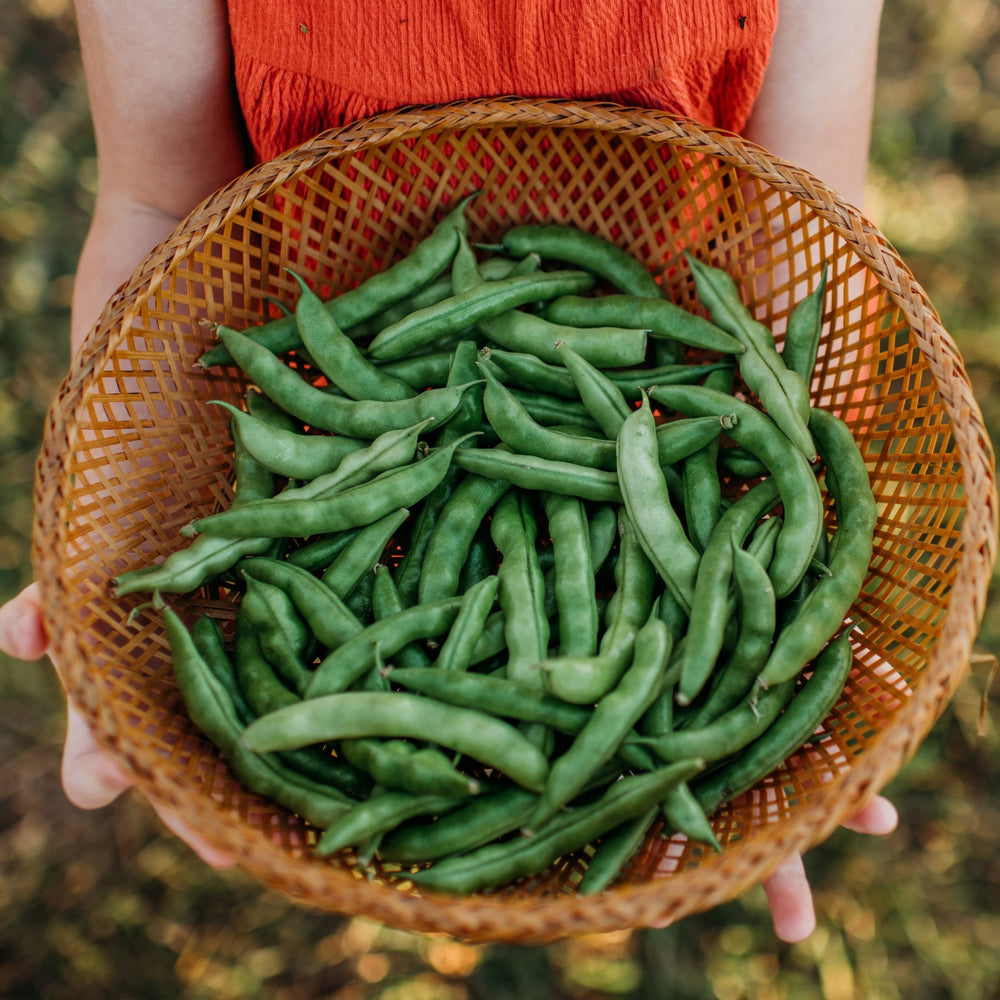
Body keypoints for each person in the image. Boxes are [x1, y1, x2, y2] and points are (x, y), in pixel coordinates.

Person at [0, 0, 898, 943]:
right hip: (359, 385)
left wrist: (792, 612)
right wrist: (117, 522)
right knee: (439, 562)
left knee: (586, 575)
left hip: (663, 389)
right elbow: (156, 201)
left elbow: (803, 216)